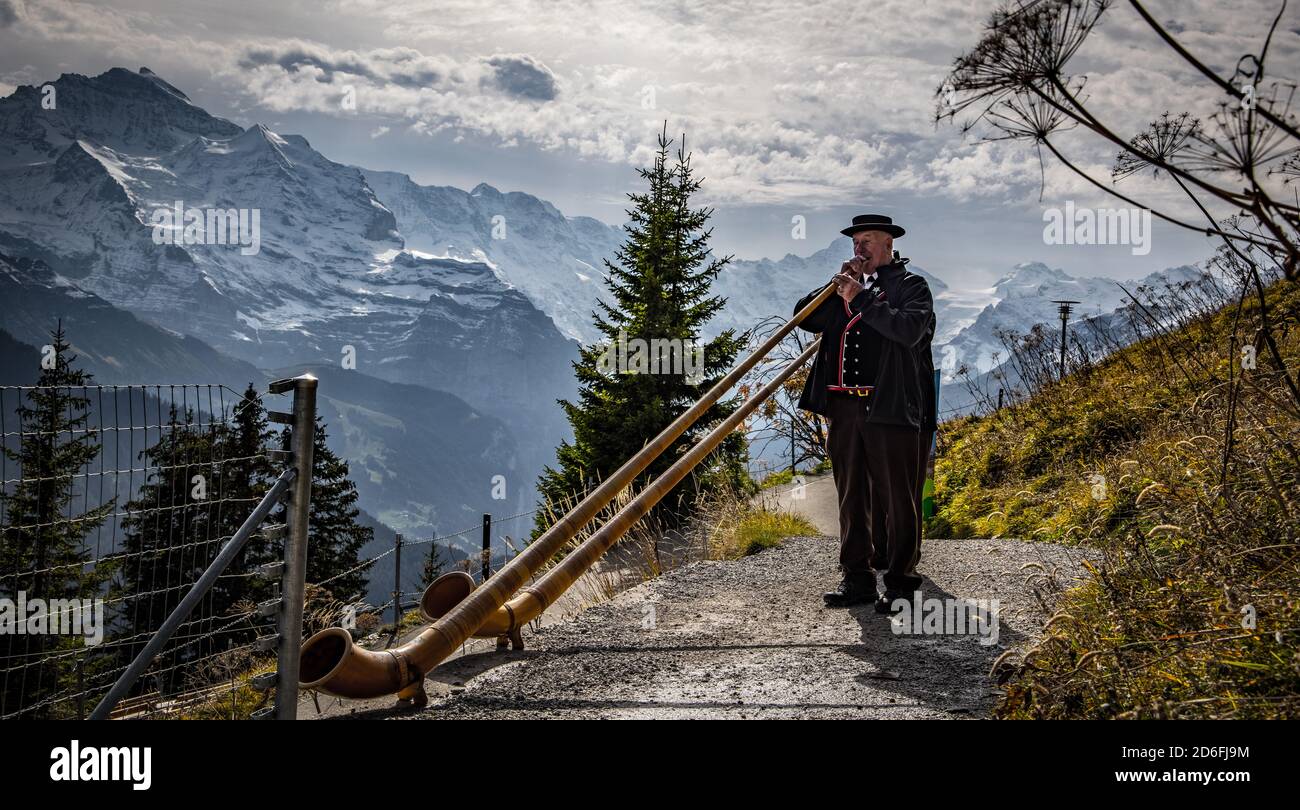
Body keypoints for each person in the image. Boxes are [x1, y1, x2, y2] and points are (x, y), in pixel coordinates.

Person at [791, 214, 935, 613]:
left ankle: (902, 583)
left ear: (888, 244)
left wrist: (862, 298)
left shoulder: (911, 288)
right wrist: (833, 288)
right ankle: (857, 579)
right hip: (844, 407)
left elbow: (907, 331)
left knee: (897, 497)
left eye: (868, 240)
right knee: (851, 496)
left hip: (888, 407)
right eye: (856, 241)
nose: (860, 247)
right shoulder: (843, 291)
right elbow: (804, 318)